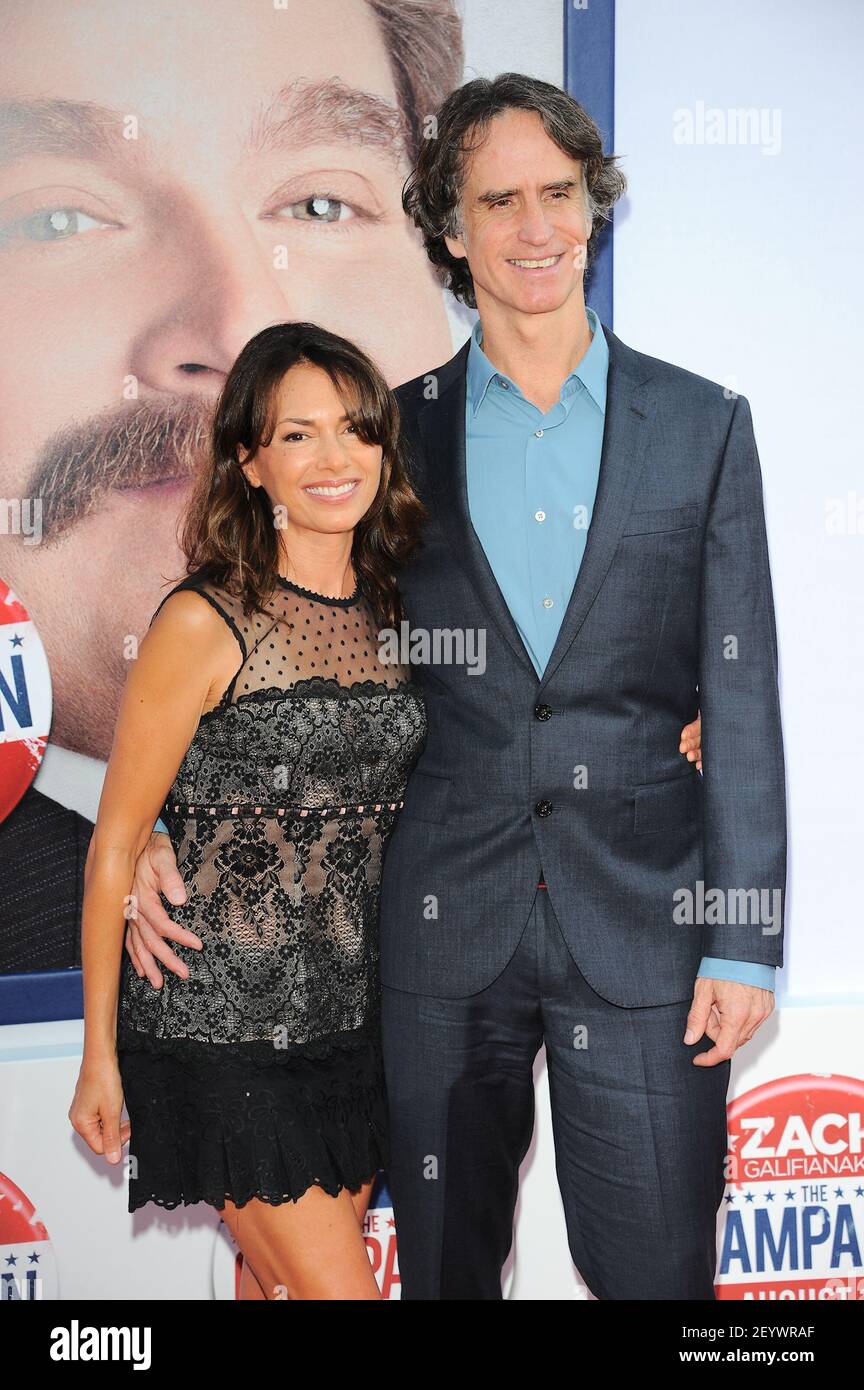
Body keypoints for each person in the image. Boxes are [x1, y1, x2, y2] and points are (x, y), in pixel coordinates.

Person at [126, 73, 773, 1302]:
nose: (537, 227)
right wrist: (158, 819)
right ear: (451, 229)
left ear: (594, 207)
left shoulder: (703, 425)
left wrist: (746, 938)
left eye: (560, 194)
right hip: (431, 937)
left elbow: (745, 695)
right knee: (440, 1281)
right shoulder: (386, 439)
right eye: (499, 200)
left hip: (645, 930)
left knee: (659, 1280)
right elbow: (275, 641)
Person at [69, 321, 427, 1300]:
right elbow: (115, 847)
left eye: (355, 431)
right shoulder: (204, 618)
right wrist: (99, 1056)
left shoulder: (402, 611)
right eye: (297, 434)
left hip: (358, 1028)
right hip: (220, 1031)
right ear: (250, 461)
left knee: (273, 1290)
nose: (333, 459)